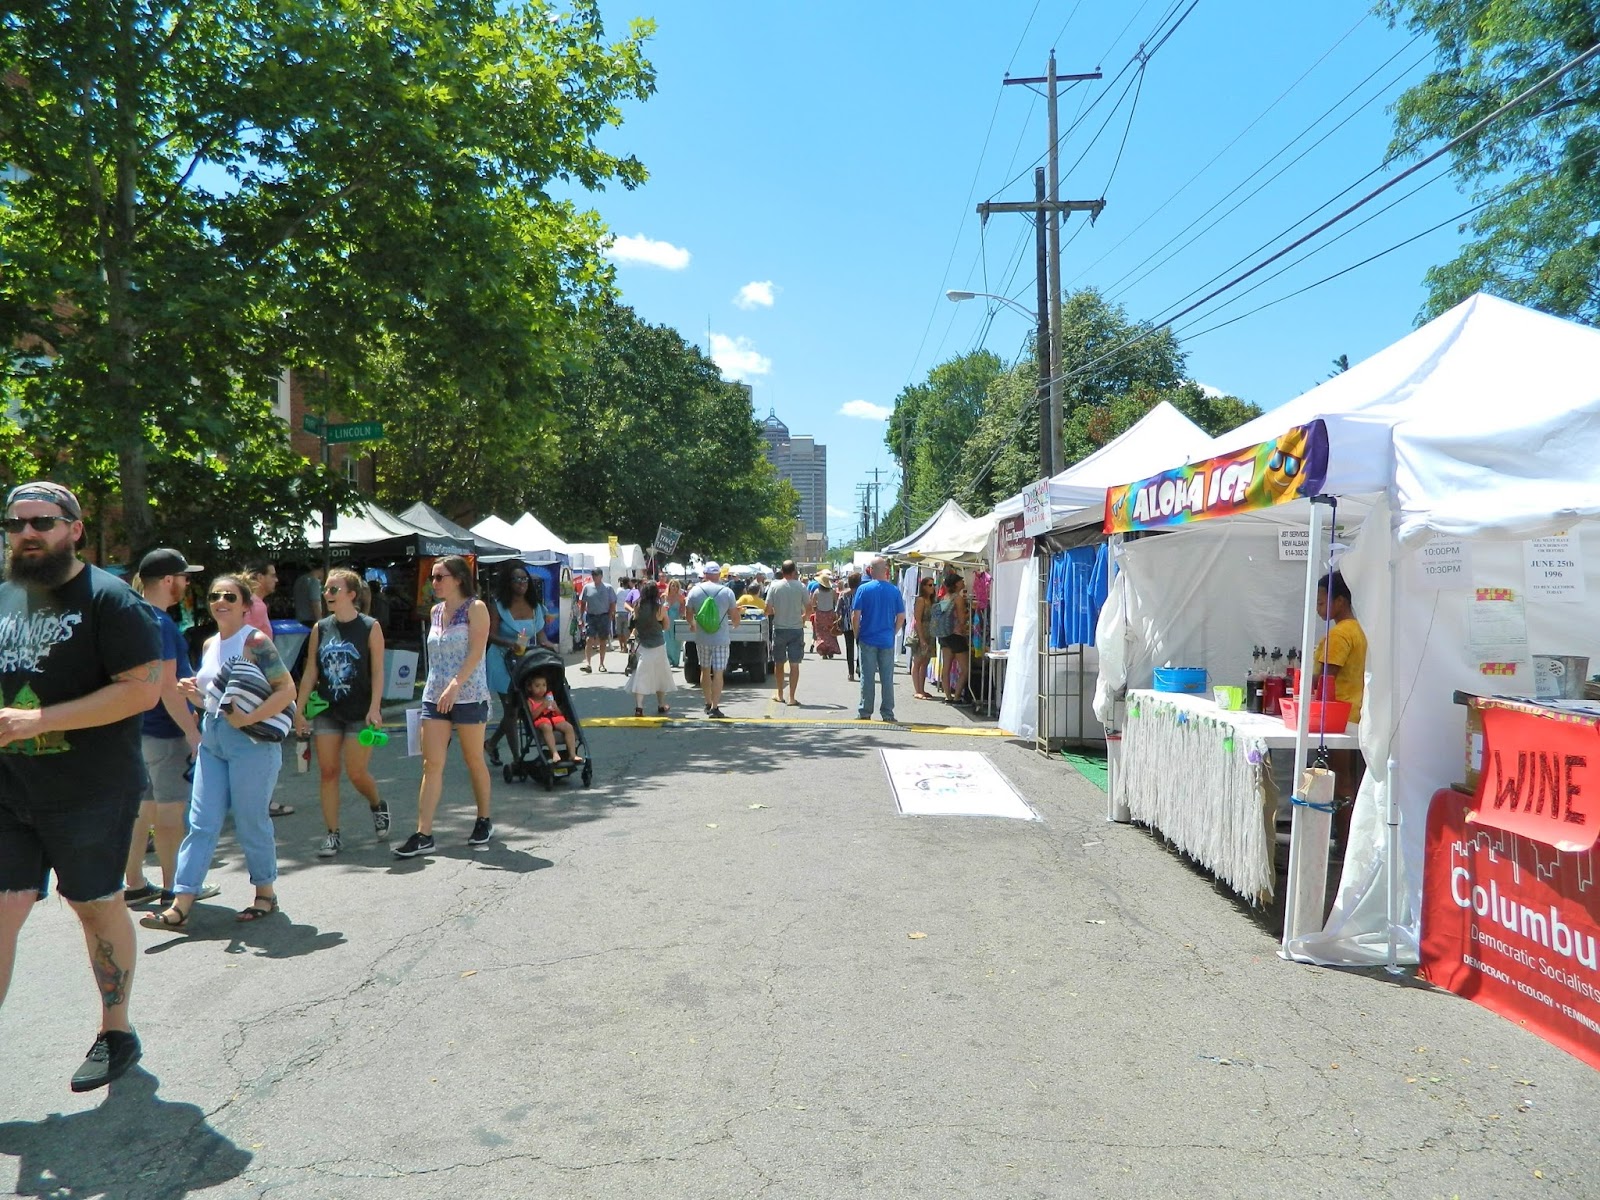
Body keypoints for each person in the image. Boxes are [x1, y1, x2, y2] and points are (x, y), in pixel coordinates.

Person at [0, 481, 162, 1092]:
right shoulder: (3, 599)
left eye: (41, 521)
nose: (26, 533)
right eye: (15, 523)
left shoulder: (110, 600)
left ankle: (115, 1030)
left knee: (94, 906)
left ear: (73, 528)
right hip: (9, 788)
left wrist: (38, 721)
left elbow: (142, 688)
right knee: (2, 907)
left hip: (91, 789)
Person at [142, 570, 296, 928]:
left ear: (245, 606)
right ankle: (180, 903)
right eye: (214, 596)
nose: (220, 602)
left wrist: (248, 718)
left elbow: (286, 691)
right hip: (213, 737)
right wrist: (195, 695)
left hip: (252, 742)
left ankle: (265, 894)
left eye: (229, 597)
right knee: (201, 821)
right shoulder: (211, 644)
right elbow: (218, 699)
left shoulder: (255, 641)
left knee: (250, 819)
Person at [394, 555, 493, 858]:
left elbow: (476, 652)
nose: (433, 583)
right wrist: (439, 689)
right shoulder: (436, 611)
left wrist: (455, 686)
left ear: (459, 578)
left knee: (473, 758)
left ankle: (484, 819)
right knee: (431, 763)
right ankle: (424, 833)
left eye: (440, 577)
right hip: (435, 694)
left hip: (468, 692)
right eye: (432, 578)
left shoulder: (475, 608)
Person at [123, 548, 206, 908]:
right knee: (172, 812)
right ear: (169, 581)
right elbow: (170, 686)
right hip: (165, 730)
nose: (187, 584)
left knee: (142, 809)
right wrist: (192, 732)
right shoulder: (163, 623)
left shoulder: (127, 616)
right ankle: (176, 889)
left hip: (132, 729)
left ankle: (135, 883)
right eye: (185, 578)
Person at [293, 567, 388, 858]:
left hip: (360, 710)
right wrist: (300, 709)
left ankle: (377, 805)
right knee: (328, 772)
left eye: (334, 589)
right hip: (327, 708)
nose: (327, 594)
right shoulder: (320, 627)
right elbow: (311, 670)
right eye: (326, 589)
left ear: (351, 594)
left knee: (357, 773)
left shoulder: (370, 626)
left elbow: (378, 670)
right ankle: (332, 834)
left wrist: (375, 707)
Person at [484, 565, 552, 767]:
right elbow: (490, 635)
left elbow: (541, 636)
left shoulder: (536, 606)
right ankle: (516, 759)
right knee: (511, 710)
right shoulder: (498, 606)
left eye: (525, 579)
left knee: (520, 707)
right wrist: (509, 644)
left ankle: (491, 743)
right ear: (508, 582)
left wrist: (549, 645)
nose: (522, 583)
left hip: (523, 662)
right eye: (517, 579)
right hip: (500, 659)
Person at [1313, 570, 1368, 809]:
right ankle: (1349, 840)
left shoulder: (1339, 634)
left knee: (1340, 779)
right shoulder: (1360, 629)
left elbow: (1326, 681)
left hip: (1339, 717)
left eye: (1322, 602)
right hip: (1358, 712)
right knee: (1354, 780)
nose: (1318, 608)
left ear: (1340, 601)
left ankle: (1345, 843)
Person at [851, 556, 905, 723]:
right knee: (887, 678)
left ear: (871, 571)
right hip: (886, 640)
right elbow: (901, 616)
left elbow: (855, 615)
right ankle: (887, 713)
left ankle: (865, 711)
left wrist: (856, 634)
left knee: (867, 677)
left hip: (867, 638)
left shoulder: (863, 589)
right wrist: (893, 632)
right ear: (886, 571)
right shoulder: (894, 590)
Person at [684, 562, 740, 719]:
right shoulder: (727, 592)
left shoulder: (694, 591)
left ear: (705, 574)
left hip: (702, 638)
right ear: (718, 574)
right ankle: (715, 707)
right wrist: (736, 624)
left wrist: (693, 624)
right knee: (718, 673)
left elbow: (688, 614)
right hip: (721, 638)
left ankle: (707, 703)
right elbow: (734, 616)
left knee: (705, 670)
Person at [764, 560, 810, 707]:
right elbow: (809, 609)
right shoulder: (801, 586)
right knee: (794, 664)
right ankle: (792, 697)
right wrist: (803, 619)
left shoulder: (774, 586)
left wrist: (776, 611)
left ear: (782, 572)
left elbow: (767, 609)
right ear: (794, 571)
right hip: (796, 629)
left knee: (779, 663)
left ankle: (780, 693)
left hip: (779, 628)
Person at [627, 581, 674, 716]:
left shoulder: (637, 606)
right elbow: (666, 626)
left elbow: (635, 624)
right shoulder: (660, 608)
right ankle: (661, 704)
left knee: (641, 675)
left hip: (642, 644)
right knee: (660, 676)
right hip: (658, 645)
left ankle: (639, 707)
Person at [936, 572, 971, 703]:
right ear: (956, 584)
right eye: (961, 581)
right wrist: (970, 612)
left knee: (946, 666)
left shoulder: (944, 597)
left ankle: (947, 696)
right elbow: (961, 620)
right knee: (965, 668)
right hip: (956, 636)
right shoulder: (958, 599)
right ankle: (956, 697)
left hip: (944, 634)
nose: (964, 583)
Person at [578, 568, 617, 674]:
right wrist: (581, 616)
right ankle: (588, 664)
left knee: (603, 640)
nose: (595, 577)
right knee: (589, 639)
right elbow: (583, 603)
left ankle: (601, 664)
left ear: (601, 576)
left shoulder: (608, 588)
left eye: (597, 575)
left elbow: (612, 603)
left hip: (604, 616)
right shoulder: (587, 587)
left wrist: (610, 615)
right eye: (593, 575)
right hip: (591, 616)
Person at [909, 576, 937, 700]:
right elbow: (918, 620)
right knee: (918, 661)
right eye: (930, 585)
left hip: (930, 633)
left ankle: (922, 689)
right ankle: (917, 690)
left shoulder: (932, 601)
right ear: (924, 587)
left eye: (933, 585)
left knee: (925, 662)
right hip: (922, 632)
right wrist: (921, 638)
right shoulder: (921, 600)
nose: (933, 587)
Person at [239, 561, 277, 639]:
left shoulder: (246, 600)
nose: (276, 580)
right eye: (272, 576)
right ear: (260, 577)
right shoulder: (256, 605)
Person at [811, 570, 840, 659]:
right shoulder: (833, 591)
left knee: (821, 633)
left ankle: (823, 651)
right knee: (830, 632)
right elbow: (836, 602)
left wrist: (815, 609)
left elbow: (813, 603)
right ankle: (831, 650)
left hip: (820, 613)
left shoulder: (816, 591)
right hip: (830, 613)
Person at [841, 571, 863, 682]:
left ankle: (850, 673)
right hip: (860, 624)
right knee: (861, 647)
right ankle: (859, 668)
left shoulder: (843, 594)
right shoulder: (862, 593)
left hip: (847, 624)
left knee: (849, 649)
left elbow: (838, 610)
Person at [664, 578, 685, 668]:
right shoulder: (664, 596)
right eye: (673, 585)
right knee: (667, 640)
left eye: (677, 586)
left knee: (676, 641)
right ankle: (668, 660)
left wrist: (682, 615)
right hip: (666, 619)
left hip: (676, 620)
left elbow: (683, 607)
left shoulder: (680, 597)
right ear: (669, 586)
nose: (675, 588)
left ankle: (675, 660)